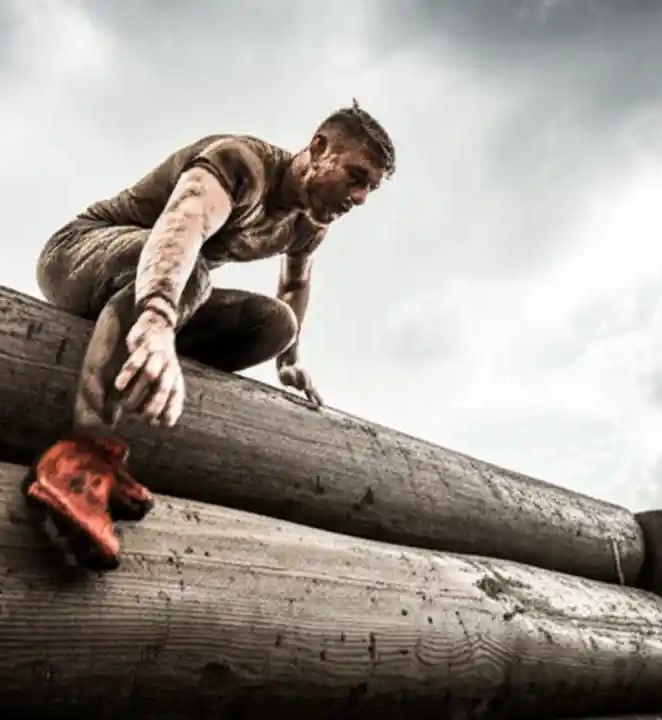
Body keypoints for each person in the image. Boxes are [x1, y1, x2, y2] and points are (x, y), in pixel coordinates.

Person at [22, 100, 396, 569]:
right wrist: (157, 317)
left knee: (276, 323)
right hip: (80, 256)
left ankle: (136, 394)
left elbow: (295, 284)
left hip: (168, 286)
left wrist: (289, 361)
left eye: (370, 191)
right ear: (318, 148)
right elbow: (185, 224)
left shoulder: (307, 224)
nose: (360, 198)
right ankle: (79, 460)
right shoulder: (242, 164)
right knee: (194, 275)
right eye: (357, 177)